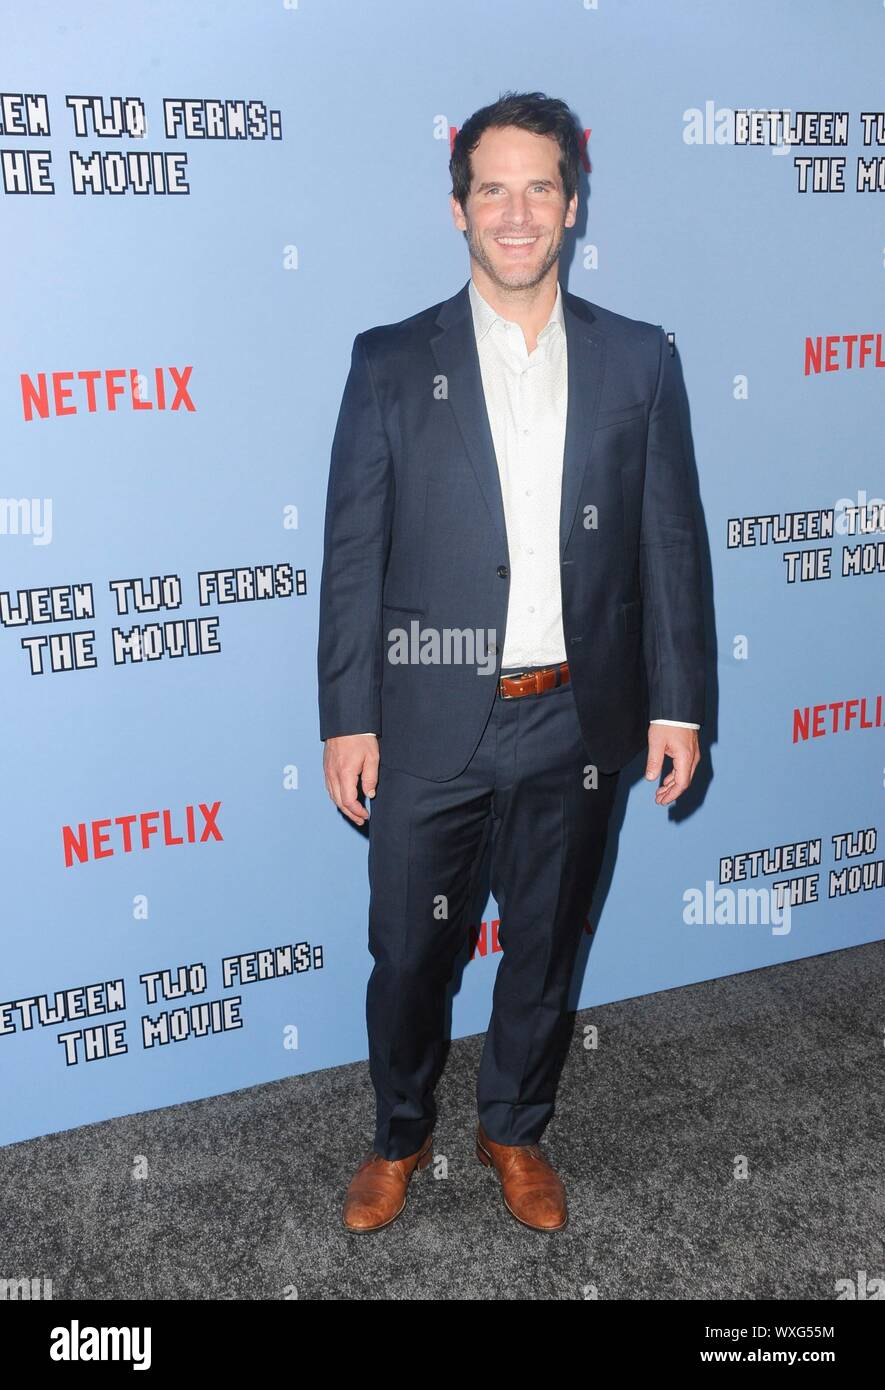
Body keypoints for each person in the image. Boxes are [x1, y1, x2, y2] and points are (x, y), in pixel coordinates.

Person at [317, 90, 706, 1233]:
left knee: (546, 946)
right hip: (431, 719)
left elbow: (670, 545)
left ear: (573, 205)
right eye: (494, 188)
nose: (518, 210)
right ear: (461, 211)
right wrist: (348, 717)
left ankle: (512, 1127)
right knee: (408, 956)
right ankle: (400, 1132)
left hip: (579, 719)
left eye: (542, 185)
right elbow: (353, 558)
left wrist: (677, 704)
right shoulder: (390, 363)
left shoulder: (639, 359)